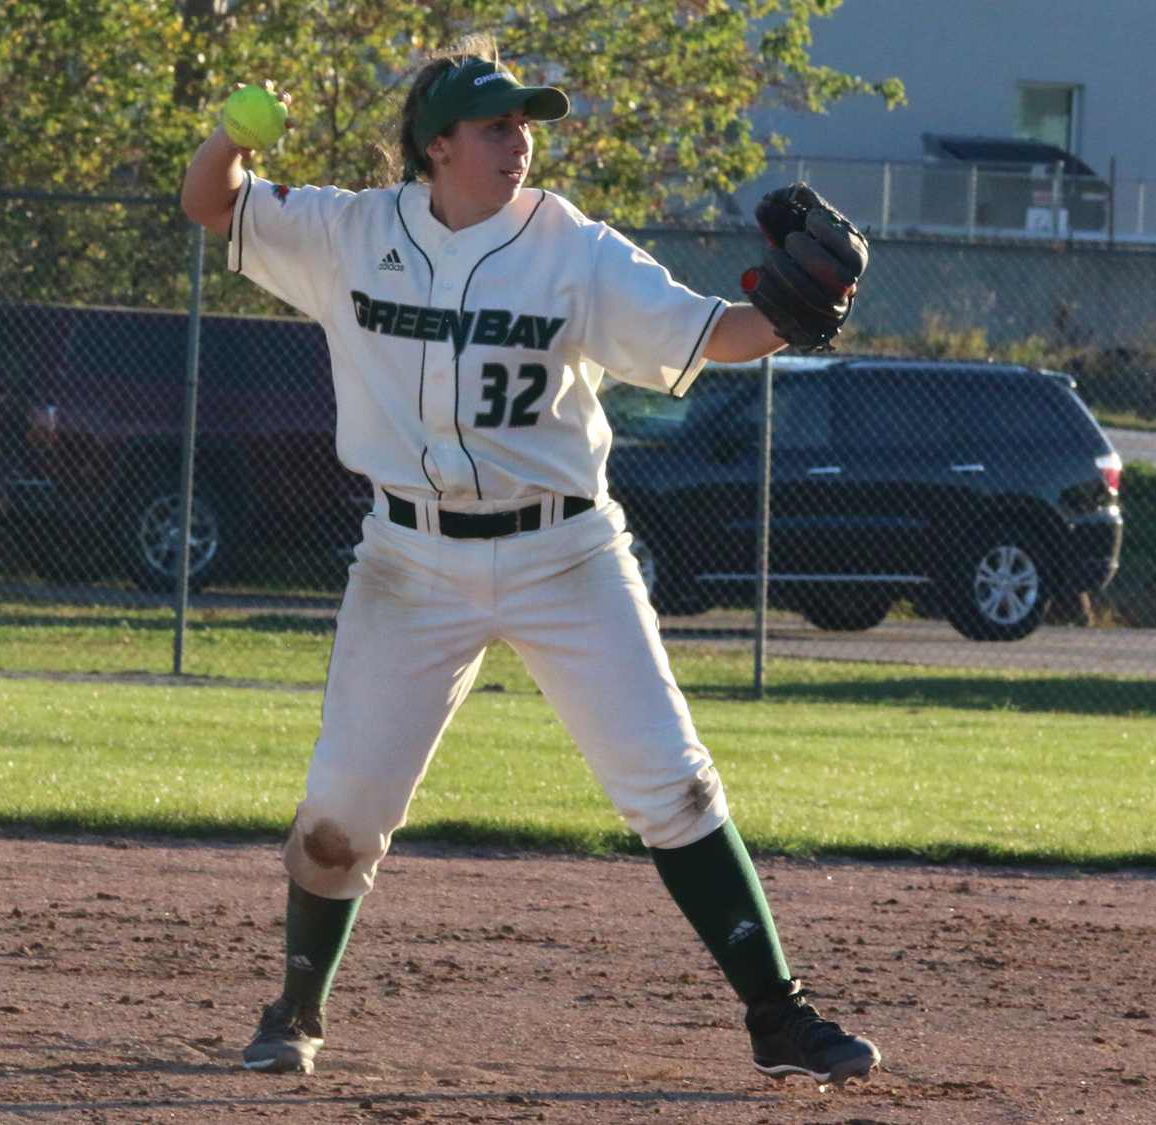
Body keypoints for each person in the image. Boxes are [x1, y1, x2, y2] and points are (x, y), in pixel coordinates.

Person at [179, 35, 878, 1088]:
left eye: (526, 125)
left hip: (564, 554)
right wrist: (231, 134)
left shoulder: (572, 247)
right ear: (437, 144)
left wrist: (791, 312)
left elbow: (706, 337)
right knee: (340, 814)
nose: (520, 143)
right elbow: (212, 204)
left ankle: (778, 1018)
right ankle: (294, 1010)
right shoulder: (347, 230)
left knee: (671, 786)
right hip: (407, 562)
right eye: (498, 125)